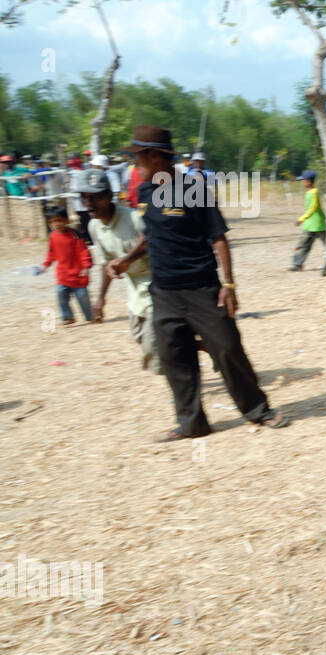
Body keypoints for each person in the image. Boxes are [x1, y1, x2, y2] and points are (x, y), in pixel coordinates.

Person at [105, 125, 288, 441]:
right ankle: (192, 424)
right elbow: (151, 235)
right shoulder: (146, 191)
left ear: (154, 156)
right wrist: (126, 259)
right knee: (175, 358)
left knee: (228, 349)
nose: (134, 164)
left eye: (137, 157)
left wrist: (228, 286)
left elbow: (218, 238)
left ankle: (259, 411)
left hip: (202, 289)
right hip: (163, 291)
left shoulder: (194, 189)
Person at [81, 167, 159, 373]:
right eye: (85, 198)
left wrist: (126, 259)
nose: (89, 204)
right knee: (139, 336)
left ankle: (182, 388)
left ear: (108, 196)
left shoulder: (133, 218)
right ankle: (197, 346)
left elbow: (151, 241)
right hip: (134, 289)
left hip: (157, 284)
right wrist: (100, 299)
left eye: (95, 197)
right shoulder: (94, 227)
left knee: (154, 345)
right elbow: (105, 263)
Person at [42, 206, 93, 325]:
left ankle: (90, 317)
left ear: (66, 220)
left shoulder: (76, 235)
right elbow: (51, 253)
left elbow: (83, 252)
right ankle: (67, 317)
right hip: (63, 275)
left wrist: (86, 266)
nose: (56, 224)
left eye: (59, 220)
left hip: (78, 275)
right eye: (52, 221)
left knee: (83, 297)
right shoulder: (52, 237)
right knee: (61, 296)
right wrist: (45, 265)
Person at [289, 169, 326, 274]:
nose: (302, 182)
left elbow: (312, 208)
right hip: (309, 225)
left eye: (303, 180)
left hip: (319, 225)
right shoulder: (309, 192)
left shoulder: (314, 192)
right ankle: (297, 264)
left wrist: (301, 219)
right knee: (302, 244)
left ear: (309, 181)